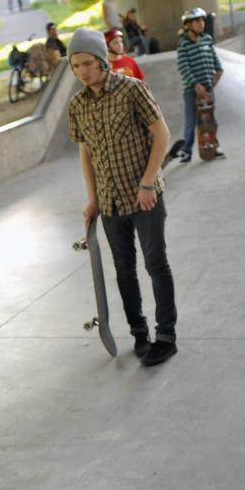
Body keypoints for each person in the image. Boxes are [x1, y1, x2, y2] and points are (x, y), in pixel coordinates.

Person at [67, 28, 178, 367]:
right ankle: (139, 333)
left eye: (88, 63)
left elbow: (162, 134)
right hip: (110, 201)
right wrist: (93, 198)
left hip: (144, 197)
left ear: (102, 60)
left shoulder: (132, 89)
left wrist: (147, 183)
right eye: (76, 66)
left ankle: (166, 336)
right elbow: (86, 154)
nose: (83, 71)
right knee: (123, 270)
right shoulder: (77, 105)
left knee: (155, 264)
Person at [176, 7, 224, 163]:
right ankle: (187, 151)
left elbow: (214, 57)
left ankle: (213, 146)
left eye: (202, 20)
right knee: (191, 121)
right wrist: (195, 84)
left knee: (211, 120)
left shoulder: (207, 39)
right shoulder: (183, 44)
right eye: (197, 21)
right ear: (188, 25)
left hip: (208, 87)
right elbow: (183, 67)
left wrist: (219, 71)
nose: (201, 23)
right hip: (191, 90)